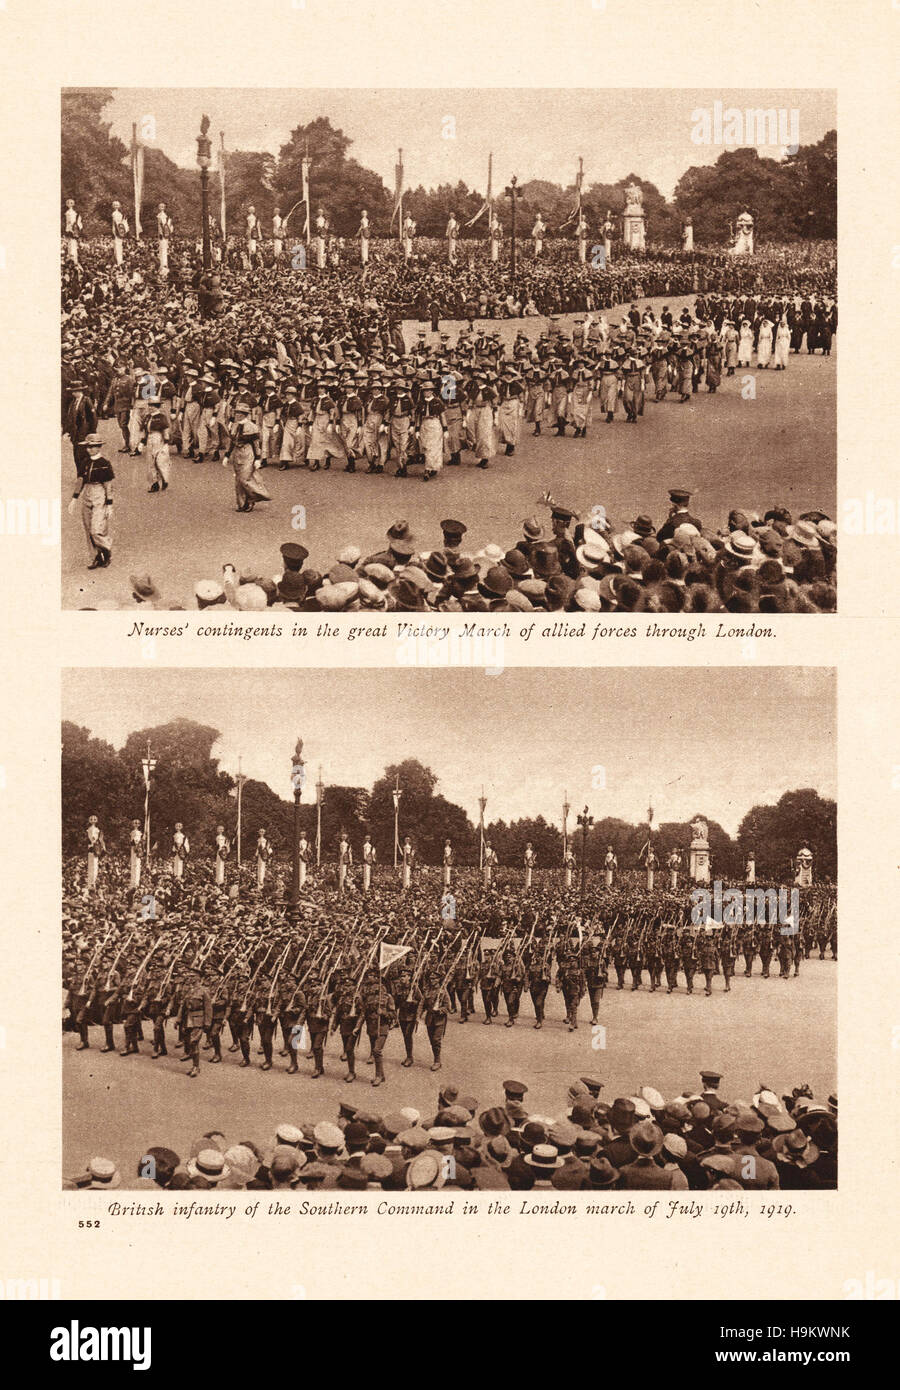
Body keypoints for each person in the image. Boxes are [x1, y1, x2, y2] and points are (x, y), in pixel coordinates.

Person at [70, 433, 113, 569]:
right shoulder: (85, 462)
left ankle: (106, 550)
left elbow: (108, 485)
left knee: (96, 529)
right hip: (87, 494)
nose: (89, 450)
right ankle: (95, 557)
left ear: (99, 447)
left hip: (99, 493)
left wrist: (109, 504)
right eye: (88, 447)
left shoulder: (104, 464)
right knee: (88, 529)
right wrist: (74, 499)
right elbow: (81, 480)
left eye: (92, 447)